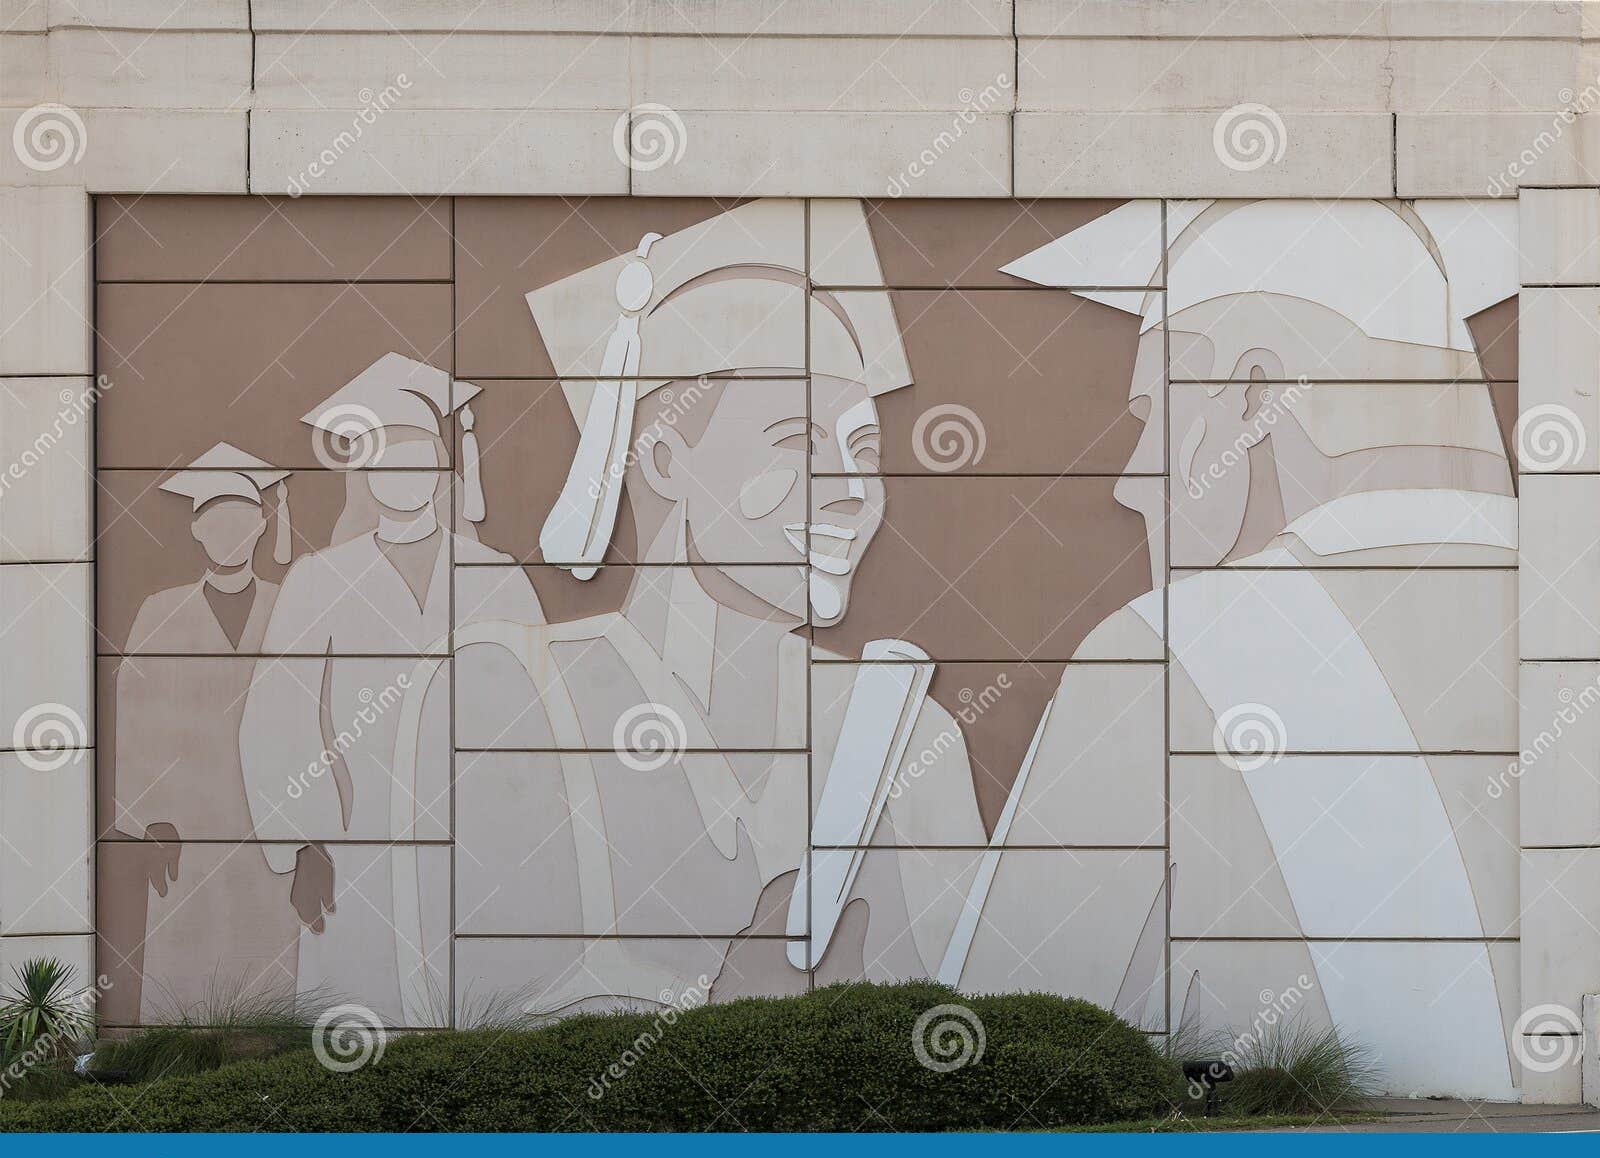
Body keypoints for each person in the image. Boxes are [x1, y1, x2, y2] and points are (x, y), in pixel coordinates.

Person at [448, 201, 1161, 1019]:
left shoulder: (903, 736)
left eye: (866, 453)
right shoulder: (520, 693)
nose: (853, 492)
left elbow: (967, 1024)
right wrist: (728, 1002)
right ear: (668, 457)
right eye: (800, 440)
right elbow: (467, 1033)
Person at [1001, 199, 1522, 1098]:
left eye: (1153, 412)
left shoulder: (1155, 654)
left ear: (1252, 393)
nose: (1131, 484)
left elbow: (1006, 1045)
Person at [238, 354, 544, 1026]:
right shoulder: (318, 580)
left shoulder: (498, 576)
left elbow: (542, 715)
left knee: (489, 1017)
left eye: (420, 452)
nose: (404, 470)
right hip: (361, 842)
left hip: (485, 833)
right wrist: (301, 843)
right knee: (360, 1021)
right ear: (365, 473)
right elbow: (275, 712)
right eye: (387, 454)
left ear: (443, 466)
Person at [107, 443, 298, 1021]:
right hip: (186, 831)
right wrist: (148, 817)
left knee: (271, 982)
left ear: (264, 524)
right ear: (196, 528)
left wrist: (310, 828)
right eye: (216, 518)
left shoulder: (290, 607)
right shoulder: (159, 612)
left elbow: (315, 714)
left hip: (271, 823)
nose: (230, 531)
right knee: (187, 992)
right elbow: (134, 721)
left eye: (242, 517)